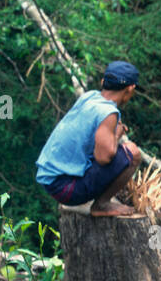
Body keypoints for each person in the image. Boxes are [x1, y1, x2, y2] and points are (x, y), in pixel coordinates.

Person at [35, 60, 144, 217]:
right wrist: (117, 134)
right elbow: (104, 158)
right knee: (132, 153)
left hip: (51, 181)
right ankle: (102, 204)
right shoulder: (108, 112)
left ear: (103, 82)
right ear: (130, 89)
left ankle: (99, 199)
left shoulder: (90, 97)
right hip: (65, 189)